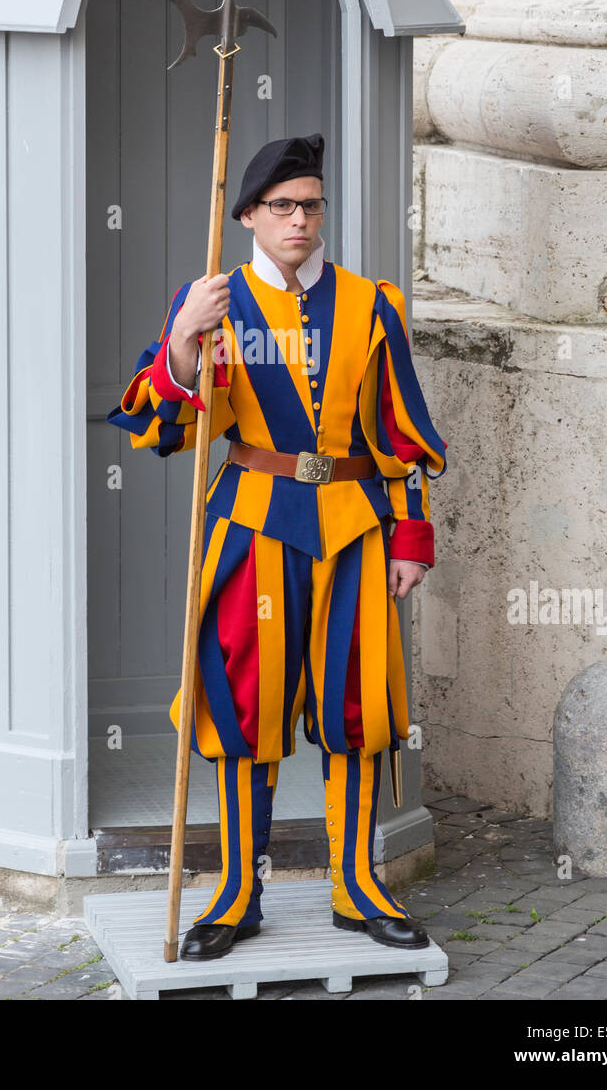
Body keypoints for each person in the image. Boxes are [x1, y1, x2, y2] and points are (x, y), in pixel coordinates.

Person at [106, 133, 447, 961]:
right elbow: (163, 427)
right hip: (253, 524)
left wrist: (410, 538)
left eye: (311, 204)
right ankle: (234, 893)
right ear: (251, 215)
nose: (300, 219)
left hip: (357, 523)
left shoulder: (374, 305)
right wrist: (185, 342)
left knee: (357, 707)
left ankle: (357, 886)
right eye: (282, 206)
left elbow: (405, 435)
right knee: (241, 711)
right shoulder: (211, 303)